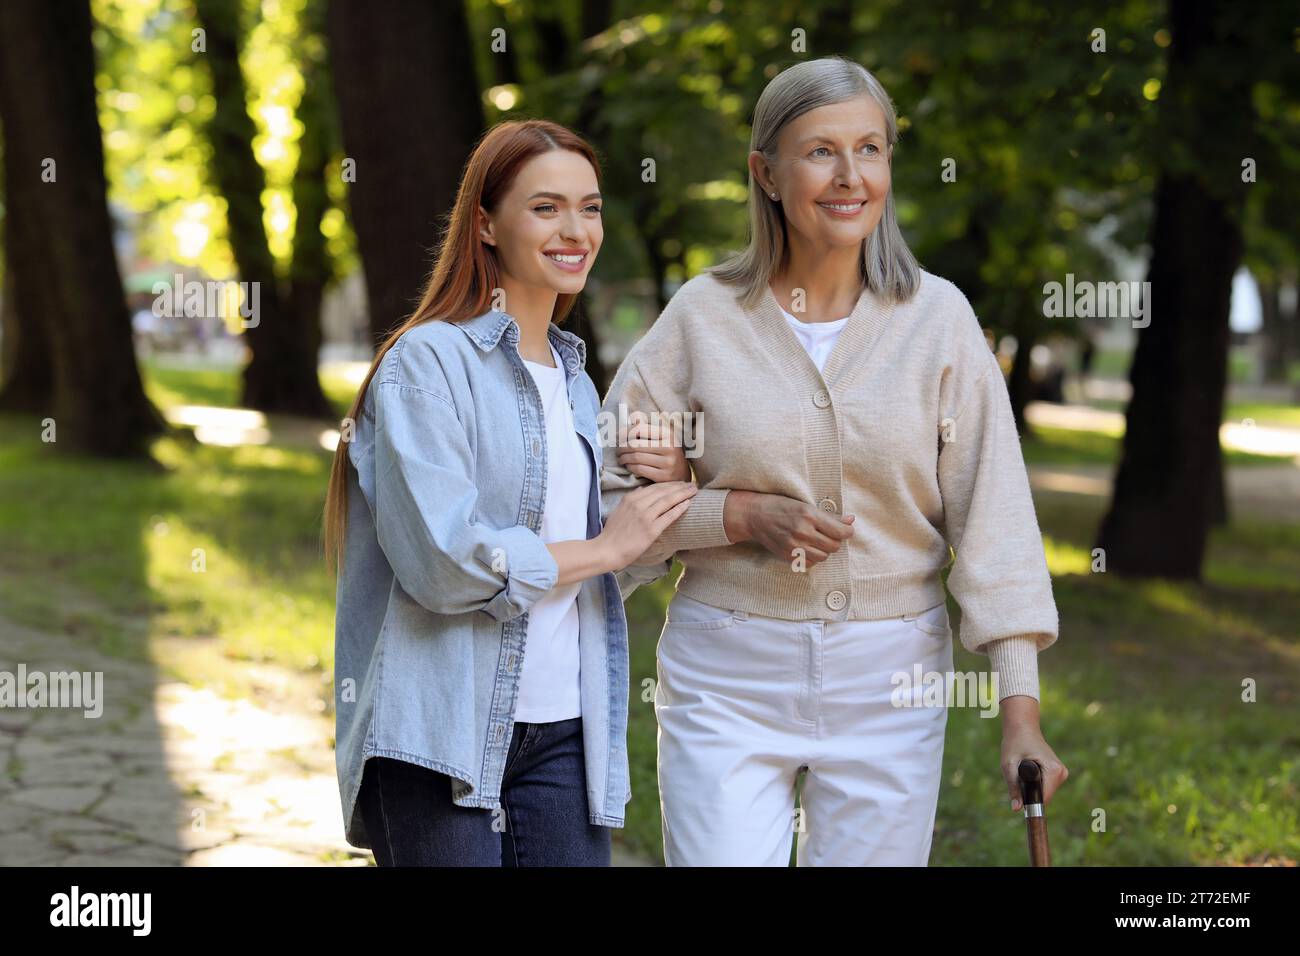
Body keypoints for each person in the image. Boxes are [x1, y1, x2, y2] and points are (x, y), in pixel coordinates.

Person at [601, 57, 1069, 866]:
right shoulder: (702, 320)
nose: (852, 176)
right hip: (727, 670)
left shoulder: (938, 320)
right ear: (766, 173)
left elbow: (996, 522)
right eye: (820, 151)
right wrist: (736, 516)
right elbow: (608, 507)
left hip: (893, 680)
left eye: (872, 149)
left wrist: (1020, 713)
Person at [323, 119, 696, 866]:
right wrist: (603, 545)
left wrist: (667, 492)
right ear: (487, 225)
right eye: (546, 207)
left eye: (589, 208)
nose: (576, 230)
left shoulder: (579, 386)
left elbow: (594, 573)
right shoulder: (427, 364)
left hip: (565, 733)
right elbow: (444, 564)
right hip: (442, 734)